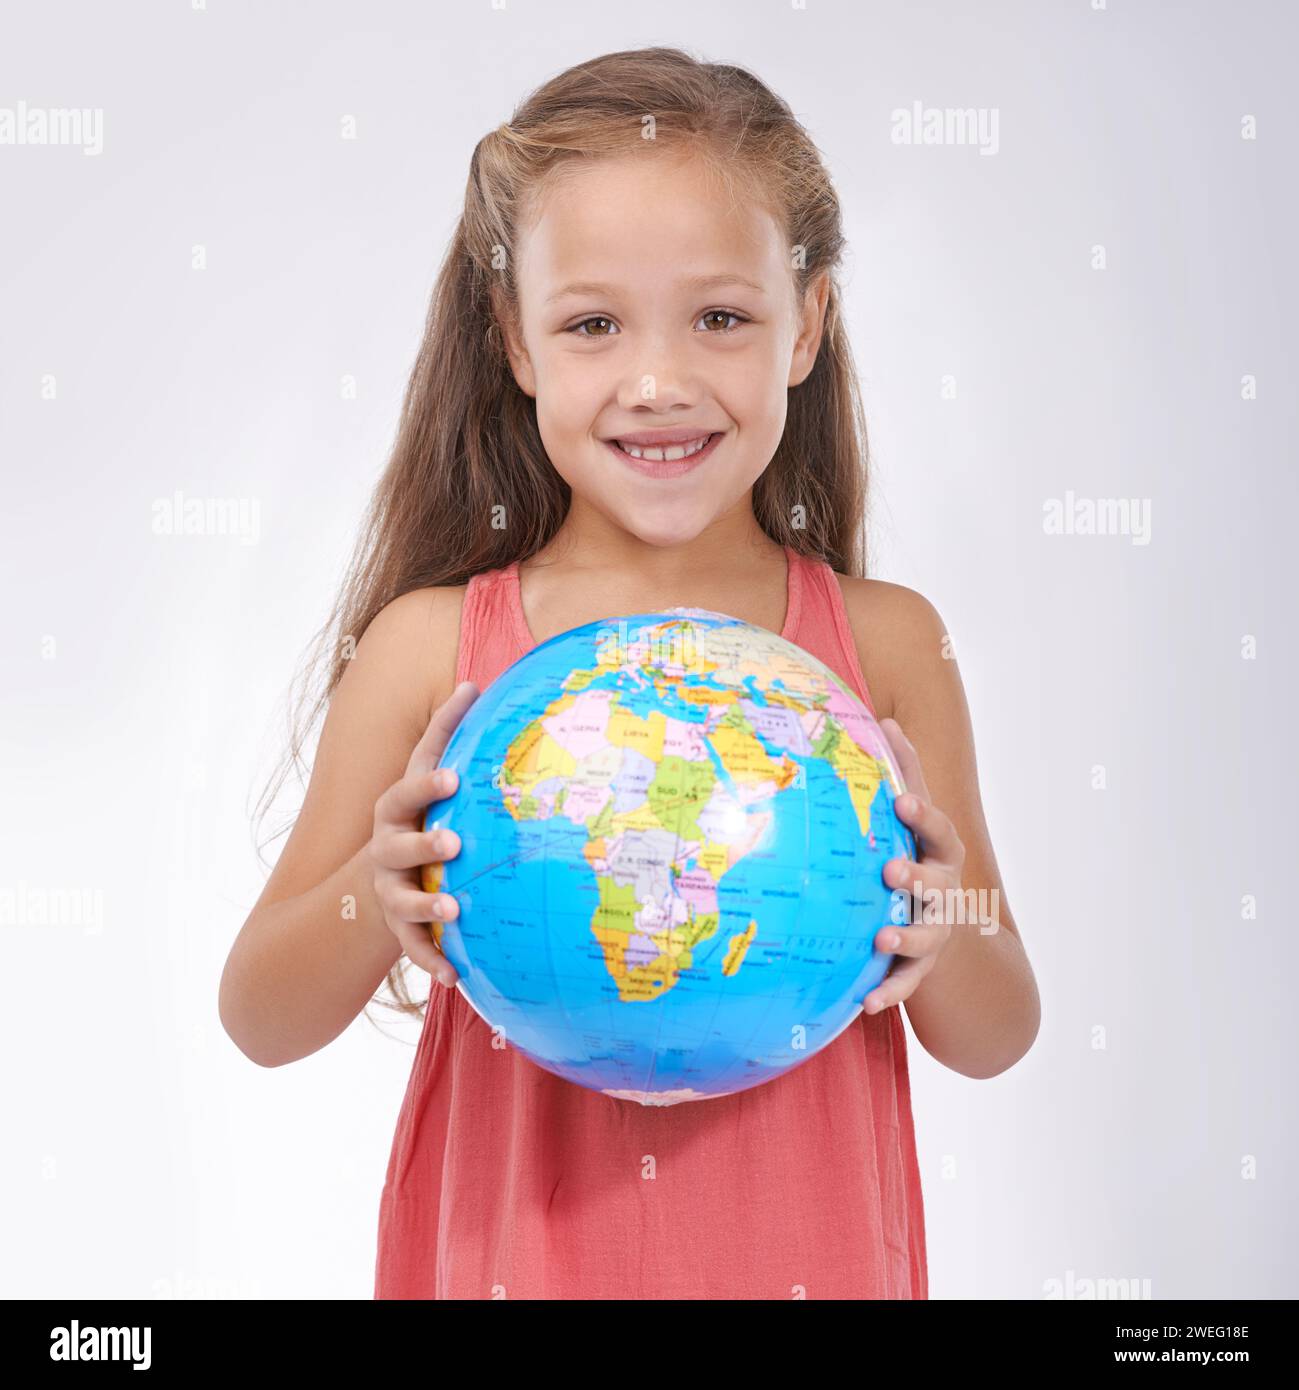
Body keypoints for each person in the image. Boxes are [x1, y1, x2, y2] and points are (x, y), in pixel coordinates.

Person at [220, 46, 1040, 1300]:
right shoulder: (432, 649)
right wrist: (370, 898)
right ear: (514, 338)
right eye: (593, 323)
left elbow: (999, 1026)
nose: (658, 381)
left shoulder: (881, 644)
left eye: (721, 316)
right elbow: (259, 1017)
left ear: (806, 323)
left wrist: (944, 918)